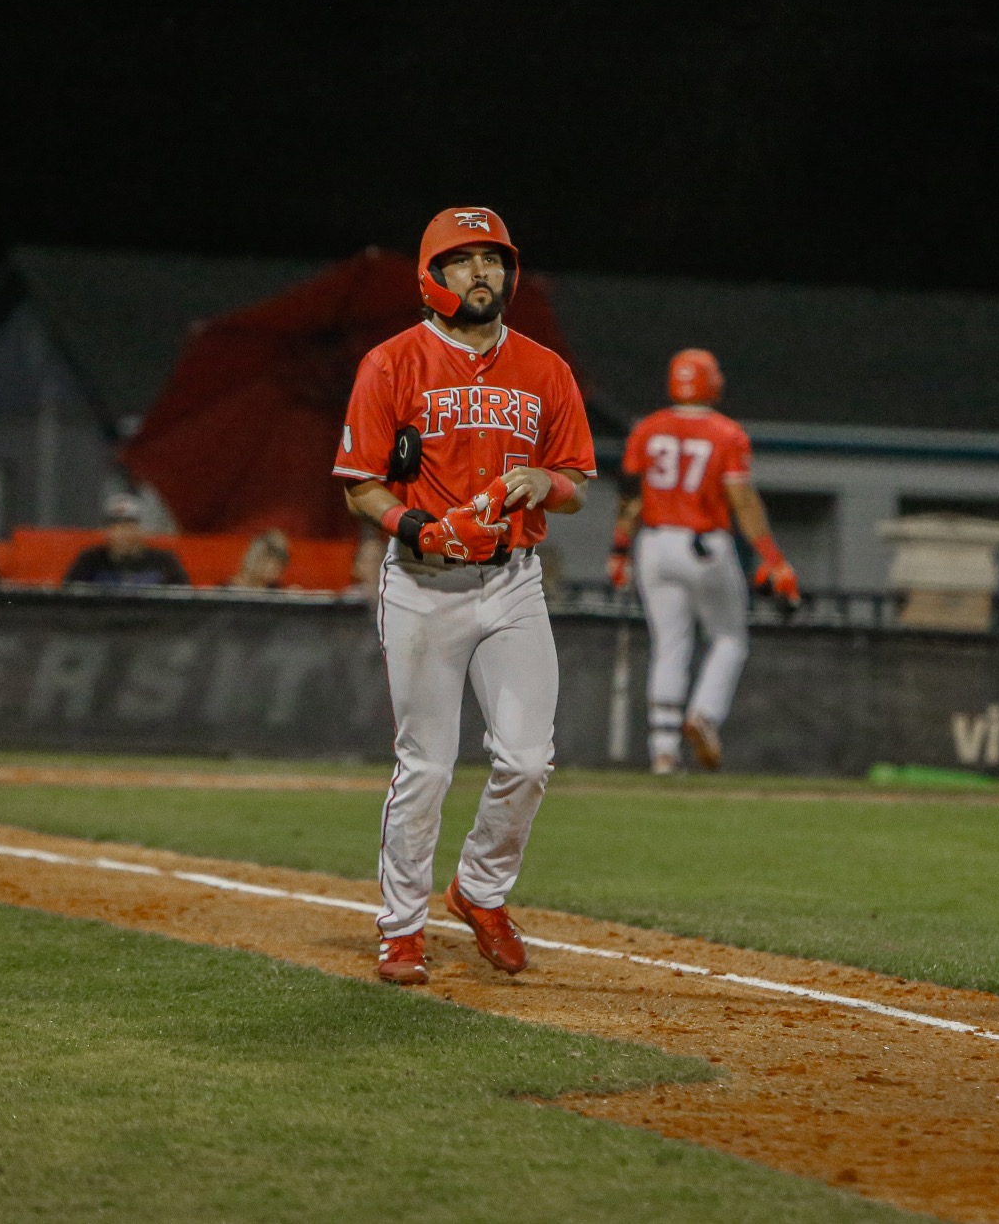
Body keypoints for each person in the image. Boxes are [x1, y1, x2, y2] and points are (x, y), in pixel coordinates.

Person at [334, 206, 596, 987]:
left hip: (514, 582)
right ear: (432, 275)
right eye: (464, 258)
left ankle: (479, 890)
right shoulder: (392, 363)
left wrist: (544, 480)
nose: (483, 271)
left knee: (527, 759)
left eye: (494, 258)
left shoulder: (545, 368)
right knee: (428, 764)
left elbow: (577, 481)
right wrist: (417, 525)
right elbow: (360, 487)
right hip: (423, 585)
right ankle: (402, 929)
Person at [608, 348, 798, 773]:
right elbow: (741, 500)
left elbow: (630, 496)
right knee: (729, 639)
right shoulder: (726, 434)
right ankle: (704, 715)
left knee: (669, 643)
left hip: (653, 544)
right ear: (711, 382)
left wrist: (619, 548)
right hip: (704, 544)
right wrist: (772, 557)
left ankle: (662, 751)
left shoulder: (647, 429)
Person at [63, 494, 189, 587]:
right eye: (117, 527)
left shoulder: (164, 562)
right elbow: (68, 602)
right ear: (107, 531)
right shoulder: (90, 561)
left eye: (129, 526)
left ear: (141, 530)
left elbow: (184, 605)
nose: (123, 533)